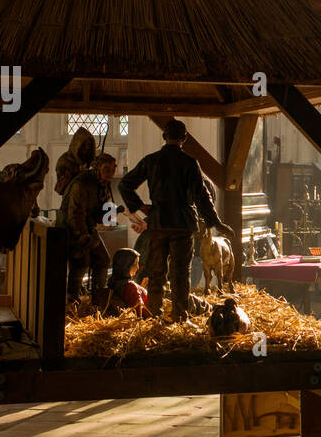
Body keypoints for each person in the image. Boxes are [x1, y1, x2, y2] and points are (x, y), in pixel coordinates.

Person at [118, 119, 233, 321]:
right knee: (180, 273)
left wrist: (140, 205)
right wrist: (215, 221)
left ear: (164, 136)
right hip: (182, 224)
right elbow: (202, 195)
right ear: (185, 138)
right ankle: (180, 316)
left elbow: (125, 184)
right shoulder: (189, 163)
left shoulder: (151, 160)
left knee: (156, 272)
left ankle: (154, 314)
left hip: (158, 223)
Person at [58, 152, 115, 303]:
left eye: (112, 170)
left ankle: (98, 298)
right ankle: (73, 300)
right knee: (80, 261)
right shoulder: (81, 183)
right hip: (70, 228)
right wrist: (81, 234)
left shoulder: (103, 184)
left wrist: (108, 213)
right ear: (97, 168)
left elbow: (96, 212)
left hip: (88, 226)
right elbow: (75, 212)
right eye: (107, 170)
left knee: (103, 259)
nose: (111, 174)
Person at [103, 247, 148, 316]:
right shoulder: (130, 287)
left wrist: (141, 287)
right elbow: (142, 311)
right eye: (135, 264)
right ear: (126, 266)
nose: (137, 267)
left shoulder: (114, 282)